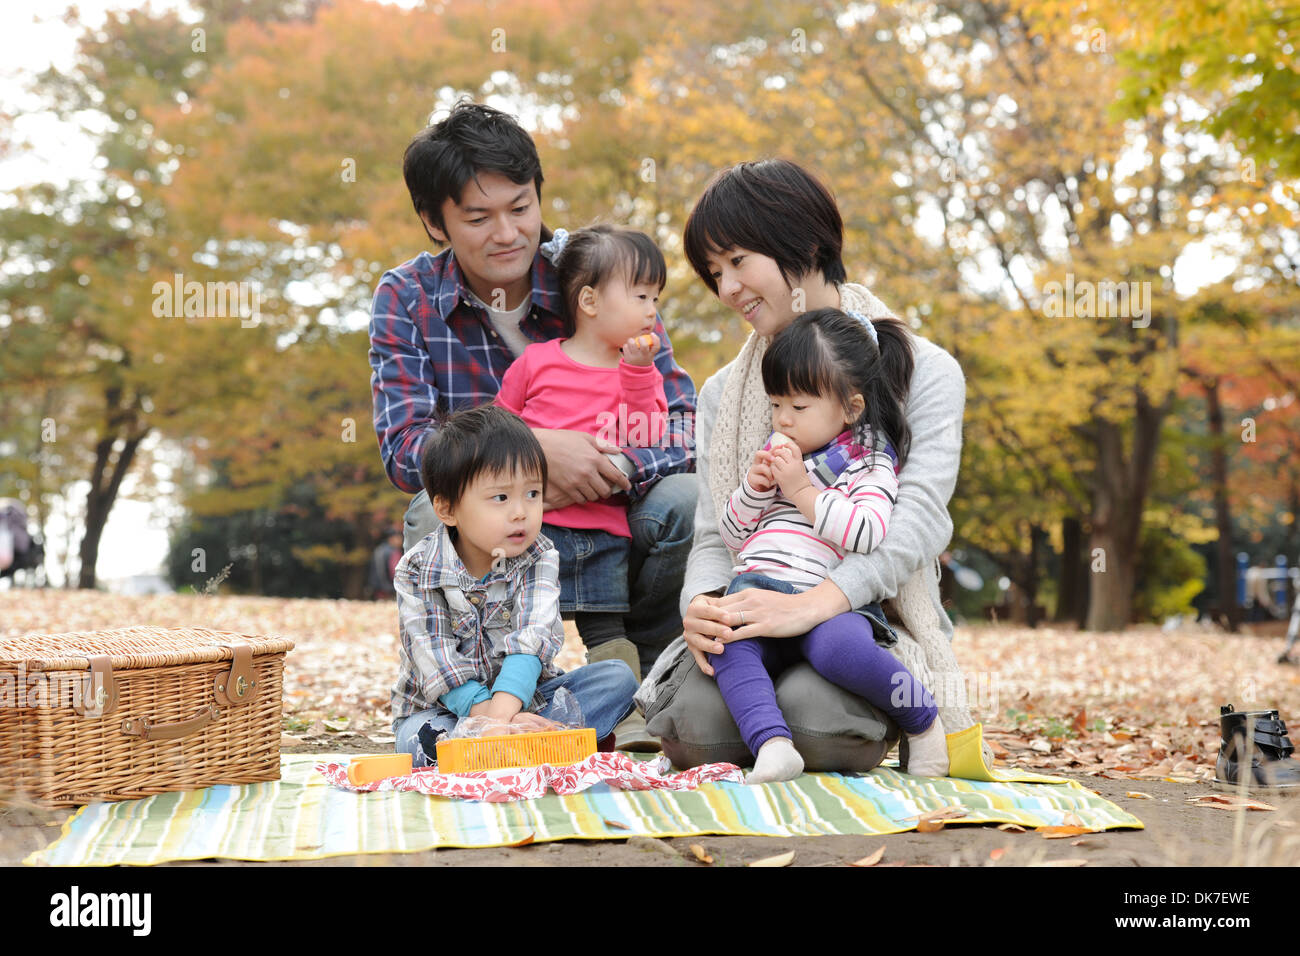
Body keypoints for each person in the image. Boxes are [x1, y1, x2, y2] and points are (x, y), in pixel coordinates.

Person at [637, 159, 986, 774]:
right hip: (754, 609)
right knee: (696, 732)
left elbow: (917, 525)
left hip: (858, 617)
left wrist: (822, 601)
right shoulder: (722, 392)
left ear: (805, 244)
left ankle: (905, 714)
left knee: (820, 724)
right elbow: (718, 534)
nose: (727, 290)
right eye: (714, 273)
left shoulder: (925, 370)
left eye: (738, 261)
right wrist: (702, 606)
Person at [369, 100, 697, 680]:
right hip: (494, 514)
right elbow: (405, 450)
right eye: (477, 218)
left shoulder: (604, 273)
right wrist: (534, 455)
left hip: (614, 504)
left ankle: (655, 679)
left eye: (521, 208)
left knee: (688, 501)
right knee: (428, 514)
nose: (507, 233)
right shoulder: (406, 297)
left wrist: (610, 462)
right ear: (434, 222)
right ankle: (474, 685)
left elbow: (684, 425)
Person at [711, 308, 946, 783]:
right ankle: (773, 745)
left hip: (829, 602)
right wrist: (754, 490)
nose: (783, 419)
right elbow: (733, 537)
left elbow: (867, 532)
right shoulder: (780, 458)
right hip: (759, 586)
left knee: (839, 649)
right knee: (727, 645)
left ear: (851, 407)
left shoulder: (868, 462)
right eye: (776, 404)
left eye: (798, 408)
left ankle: (924, 721)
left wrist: (801, 491)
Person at [391, 404, 639, 767]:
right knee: (417, 739)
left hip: (529, 699)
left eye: (533, 494)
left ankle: (514, 741)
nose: (521, 511)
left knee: (618, 678)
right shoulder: (418, 568)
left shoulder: (540, 556)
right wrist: (490, 720)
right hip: (445, 708)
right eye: (501, 498)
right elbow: (437, 659)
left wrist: (505, 715)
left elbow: (530, 641)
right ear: (447, 510)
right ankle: (535, 743)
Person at [495, 224, 669, 660]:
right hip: (532, 529)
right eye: (641, 296)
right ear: (589, 301)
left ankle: (628, 721)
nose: (652, 312)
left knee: (607, 631)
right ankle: (518, 710)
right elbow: (495, 431)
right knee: (523, 627)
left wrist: (639, 374)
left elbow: (648, 434)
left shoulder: (642, 371)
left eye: (656, 299)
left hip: (604, 532)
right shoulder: (536, 363)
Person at [367, 528, 404, 600]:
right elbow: (394, 571)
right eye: (398, 538)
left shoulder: (379, 550)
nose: (401, 541)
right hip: (386, 588)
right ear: (391, 538)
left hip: (377, 586)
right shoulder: (393, 552)